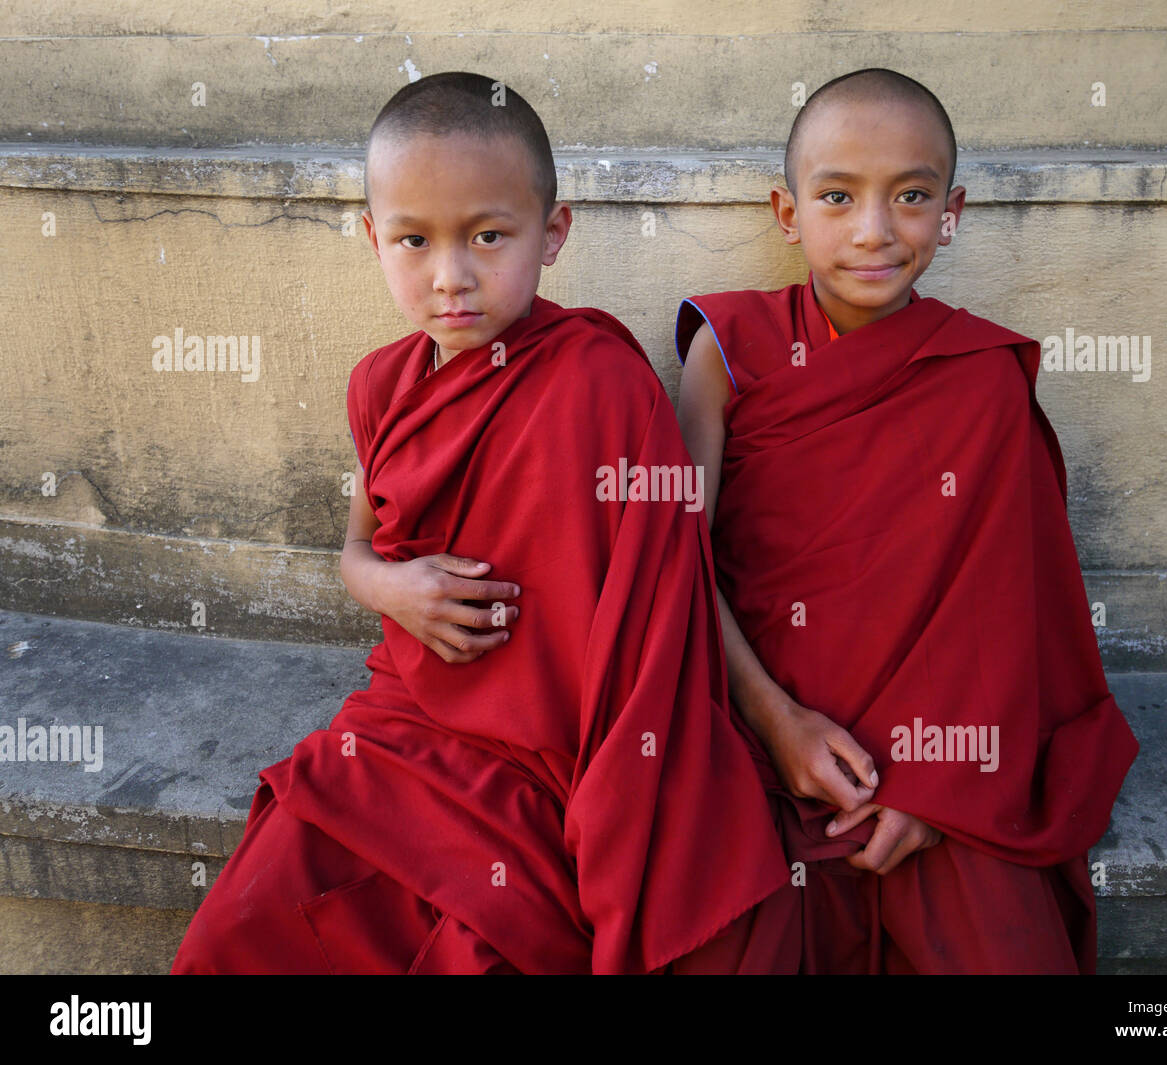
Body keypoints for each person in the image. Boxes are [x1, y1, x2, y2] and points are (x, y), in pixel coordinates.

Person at [172, 71, 794, 975]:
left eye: (489, 236)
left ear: (553, 234)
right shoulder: (381, 387)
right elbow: (354, 546)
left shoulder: (601, 384)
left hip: (549, 763)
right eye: (414, 240)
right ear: (372, 237)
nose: (451, 275)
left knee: (478, 939)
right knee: (249, 922)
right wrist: (390, 585)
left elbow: (662, 610)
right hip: (402, 730)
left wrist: (620, 794)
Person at [674, 68, 1139, 974]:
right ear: (787, 210)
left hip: (939, 753)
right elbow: (676, 564)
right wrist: (779, 724)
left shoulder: (981, 376)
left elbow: (1008, 616)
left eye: (913, 196)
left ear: (952, 209)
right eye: (838, 196)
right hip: (758, 725)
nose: (874, 230)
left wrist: (939, 785)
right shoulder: (726, 352)